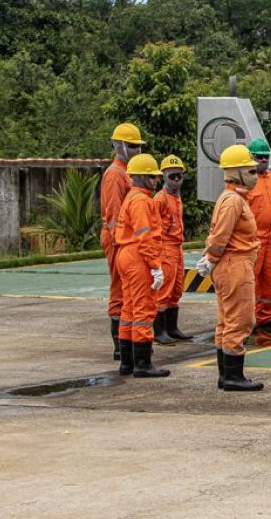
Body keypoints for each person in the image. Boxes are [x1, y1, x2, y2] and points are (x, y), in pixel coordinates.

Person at [195, 144, 263, 391]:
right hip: (235, 265)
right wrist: (211, 257)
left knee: (226, 321)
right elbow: (221, 235)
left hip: (232, 264)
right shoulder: (233, 201)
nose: (256, 175)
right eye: (251, 171)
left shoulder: (232, 198)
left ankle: (226, 376)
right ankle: (233, 377)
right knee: (240, 320)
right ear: (237, 172)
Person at [114, 153, 169, 378]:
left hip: (127, 255)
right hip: (138, 257)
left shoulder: (132, 197)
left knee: (129, 309)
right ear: (140, 177)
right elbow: (145, 237)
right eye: (152, 177)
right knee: (144, 310)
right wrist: (155, 265)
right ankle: (143, 363)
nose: (156, 180)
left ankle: (127, 362)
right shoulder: (141, 201)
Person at [101, 123, 144, 360]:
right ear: (118, 146)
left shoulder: (128, 172)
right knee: (119, 289)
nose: (135, 150)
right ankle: (120, 345)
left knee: (128, 290)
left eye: (137, 146)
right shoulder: (115, 174)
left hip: (127, 239)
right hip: (118, 240)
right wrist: (120, 244)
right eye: (131, 145)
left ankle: (125, 341)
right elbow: (113, 214)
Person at [245, 138, 271, 331]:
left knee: (269, 280)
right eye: (259, 157)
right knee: (249, 280)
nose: (263, 160)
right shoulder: (246, 180)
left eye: (266, 157)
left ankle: (266, 317)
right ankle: (246, 320)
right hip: (253, 239)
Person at [153, 155, 191, 343]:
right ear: (164, 176)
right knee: (164, 290)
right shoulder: (160, 199)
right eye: (172, 176)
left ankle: (172, 327)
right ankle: (158, 331)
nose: (176, 180)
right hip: (165, 248)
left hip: (177, 246)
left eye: (179, 176)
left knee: (176, 289)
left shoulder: (176, 198)